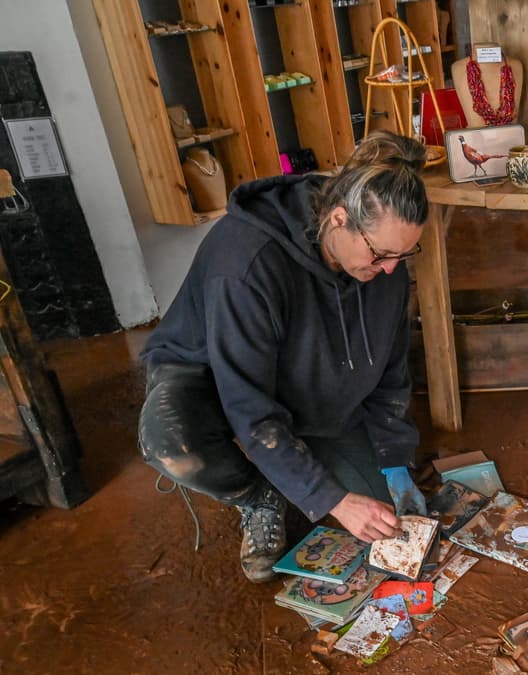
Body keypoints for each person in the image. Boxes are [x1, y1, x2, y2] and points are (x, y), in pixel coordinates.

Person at [138, 131, 431, 583]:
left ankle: (300, 463)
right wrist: (331, 499)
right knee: (173, 441)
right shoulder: (245, 264)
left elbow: (389, 370)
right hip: (214, 376)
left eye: (404, 254)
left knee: (382, 515)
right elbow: (248, 405)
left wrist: (395, 459)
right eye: (382, 254)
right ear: (338, 220)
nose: (391, 268)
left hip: (305, 374)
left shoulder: (382, 264)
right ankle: (257, 496)